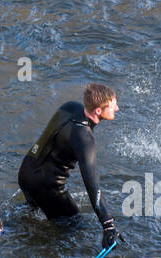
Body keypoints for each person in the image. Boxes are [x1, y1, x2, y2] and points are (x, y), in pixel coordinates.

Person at [18, 83, 121, 249]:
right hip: (45, 186)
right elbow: (92, 184)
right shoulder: (85, 139)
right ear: (98, 111)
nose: (117, 108)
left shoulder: (70, 107)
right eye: (113, 105)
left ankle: (14, 231)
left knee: (29, 216)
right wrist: (108, 223)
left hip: (25, 171)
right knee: (74, 230)